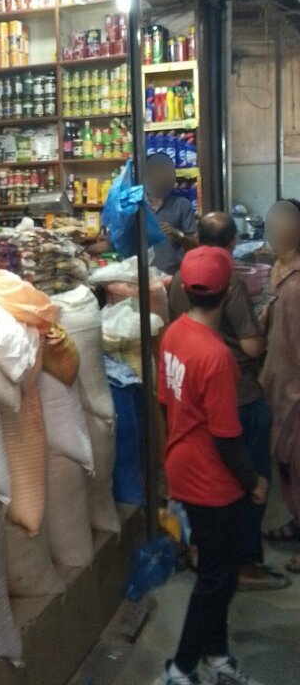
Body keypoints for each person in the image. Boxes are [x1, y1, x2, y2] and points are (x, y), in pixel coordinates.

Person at [159, 246, 268, 685]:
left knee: (213, 571)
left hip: (183, 466)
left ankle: (216, 656)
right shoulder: (218, 357)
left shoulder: (173, 334)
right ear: (227, 293)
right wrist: (253, 481)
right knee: (217, 581)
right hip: (214, 479)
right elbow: (226, 435)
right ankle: (180, 669)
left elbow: (167, 404)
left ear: (185, 290)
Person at [168, 212, 288, 591]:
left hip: (192, 401)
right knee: (244, 480)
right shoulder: (229, 287)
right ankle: (245, 561)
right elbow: (252, 346)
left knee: (213, 486)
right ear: (233, 243)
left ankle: (203, 550)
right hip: (239, 396)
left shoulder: (176, 284)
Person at [260, 199, 300, 576]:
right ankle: (295, 522)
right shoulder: (279, 268)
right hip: (279, 381)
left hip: (296, 390)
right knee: (286, 465)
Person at [145, 153, 197, 274]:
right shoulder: (136, 207)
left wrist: (177, 234)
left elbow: (194, 245)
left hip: (174, 276)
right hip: (142, 278)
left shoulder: (182, 205)